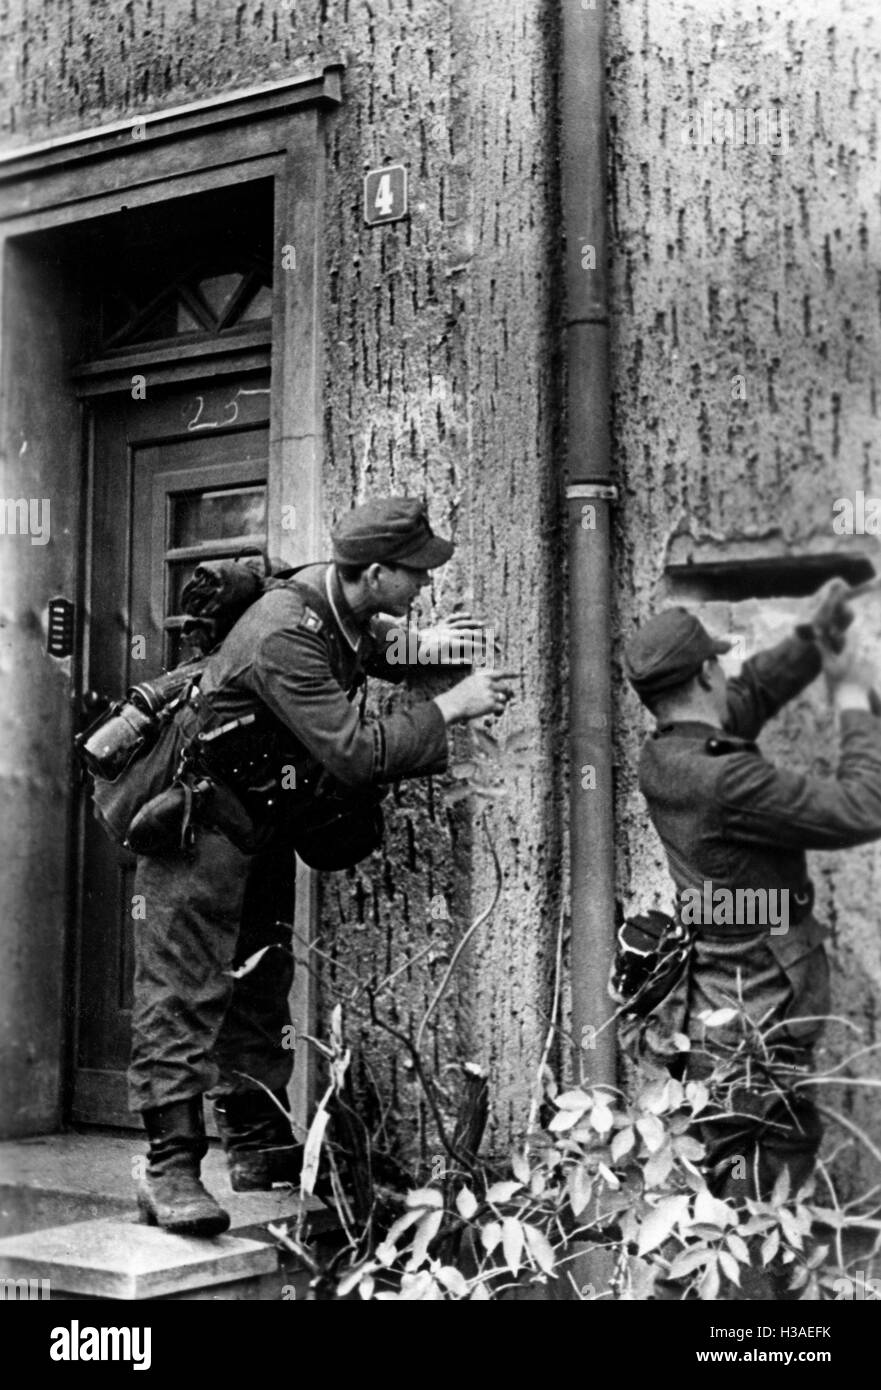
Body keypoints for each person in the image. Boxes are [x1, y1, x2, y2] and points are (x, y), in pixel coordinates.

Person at [130, 496, 516, 1236]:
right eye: (415, 576)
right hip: (198, 825)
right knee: (181, 989)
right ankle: (170, 1170)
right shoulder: (283, 634)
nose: (424, 588)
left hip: (258, 820)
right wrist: (452, 707)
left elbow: (363, 645)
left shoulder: (332, 600)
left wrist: (420, 646)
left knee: (260, 981)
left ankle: (258, 1143)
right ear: (373, 573)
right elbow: (353, 750)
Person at [623, 582, 881, 1224]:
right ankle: (755, 1318)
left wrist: (813, 636)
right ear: (708, 671)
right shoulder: (725, 777)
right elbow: (862, 806)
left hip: (725, 988)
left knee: (753, 1153)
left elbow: (749, 696)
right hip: (762, 1000)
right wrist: (853, 694)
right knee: (752, 1177)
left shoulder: (667, 753)